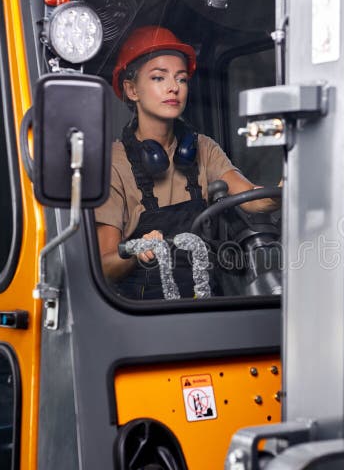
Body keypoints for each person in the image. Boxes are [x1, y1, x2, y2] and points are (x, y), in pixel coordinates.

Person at [95, 26, 278, 299]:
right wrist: (137, 251)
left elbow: (255, 201)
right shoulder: (113, 164)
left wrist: (292, 180)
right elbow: (106, 266)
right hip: (143, 313)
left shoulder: (203, 148)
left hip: (203, 301)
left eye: (181, 79)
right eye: (159, 77)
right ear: (132, 89)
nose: (173, 88)